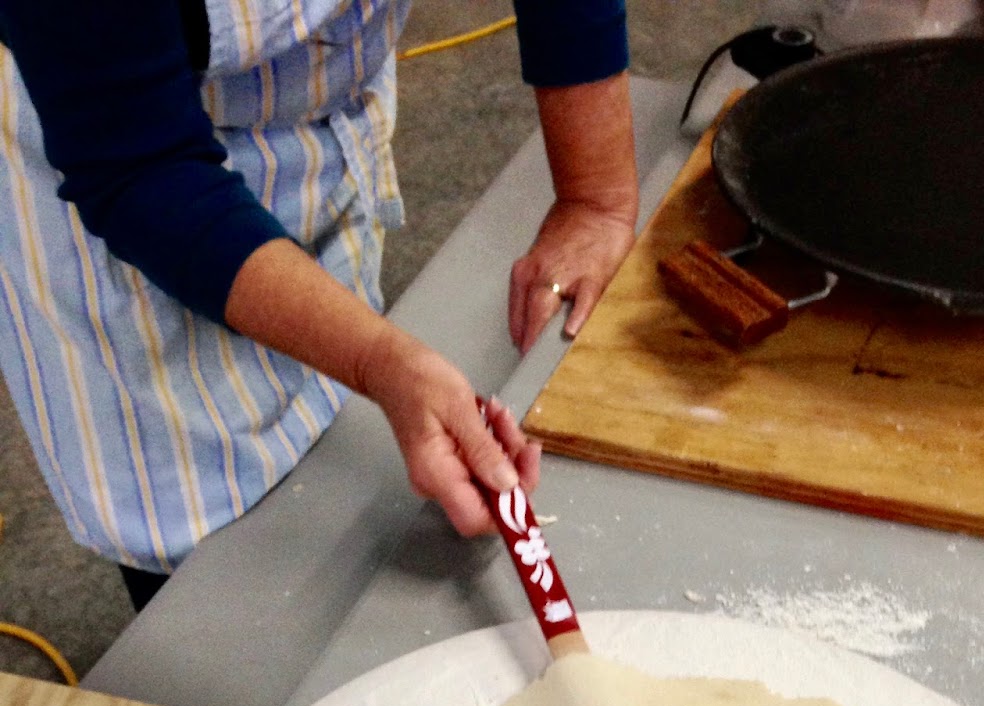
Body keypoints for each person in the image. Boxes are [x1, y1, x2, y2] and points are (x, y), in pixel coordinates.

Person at [0, 1, 638, 607]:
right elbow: (139, 167)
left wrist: (594, 198)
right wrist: (380, 364)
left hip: (314, 114)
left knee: (337, 475)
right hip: (134, 196)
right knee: (217, 600)